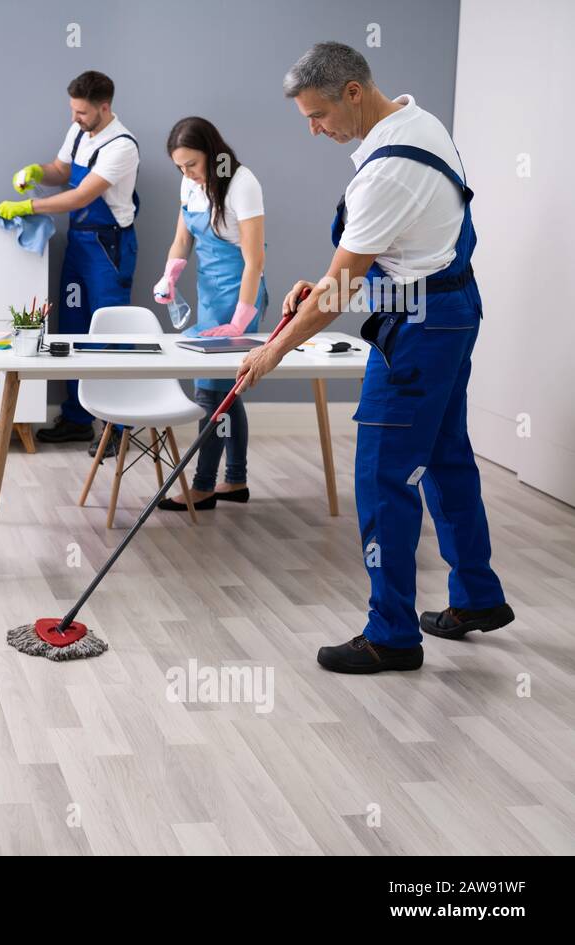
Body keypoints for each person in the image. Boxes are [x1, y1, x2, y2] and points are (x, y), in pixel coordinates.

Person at [237, 42, 513, 673]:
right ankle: (476, 596)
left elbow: (340, 289)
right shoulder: (418, 122)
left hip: (419, 329)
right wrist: (326, 282)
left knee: (384, 474)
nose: (314, 129)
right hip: (449, 308)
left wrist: (271, 352)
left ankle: (391, 634)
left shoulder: (386, 171)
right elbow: (404, 253)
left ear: (354, 92)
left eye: (318, 115)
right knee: (444, 455)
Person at [0, 70, 140, 456]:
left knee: (109, 335)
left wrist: (27, 205)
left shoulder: (122, 147)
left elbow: (79, 196)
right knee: (72, 330)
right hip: (78, 243)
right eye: (73, 110)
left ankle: (117, 428)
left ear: (104, 107)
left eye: (82, 112)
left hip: (108, 248)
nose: (75, 117)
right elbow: (62, 172)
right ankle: (76, 419)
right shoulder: (77, 131)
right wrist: (37, 171)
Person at [152, 117, 268, 511]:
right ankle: (235, 481)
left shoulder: (242, 185)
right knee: (226, 392)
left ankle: (201, 487)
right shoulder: (190, 183)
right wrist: (170, 275)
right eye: (180, 167)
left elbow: (254, 261)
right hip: (209, 297)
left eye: (192, 165)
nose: (186, 173)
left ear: (213, 154)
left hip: (242, 297)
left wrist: (239, 322)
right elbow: (182, 239)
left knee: (210, 394)